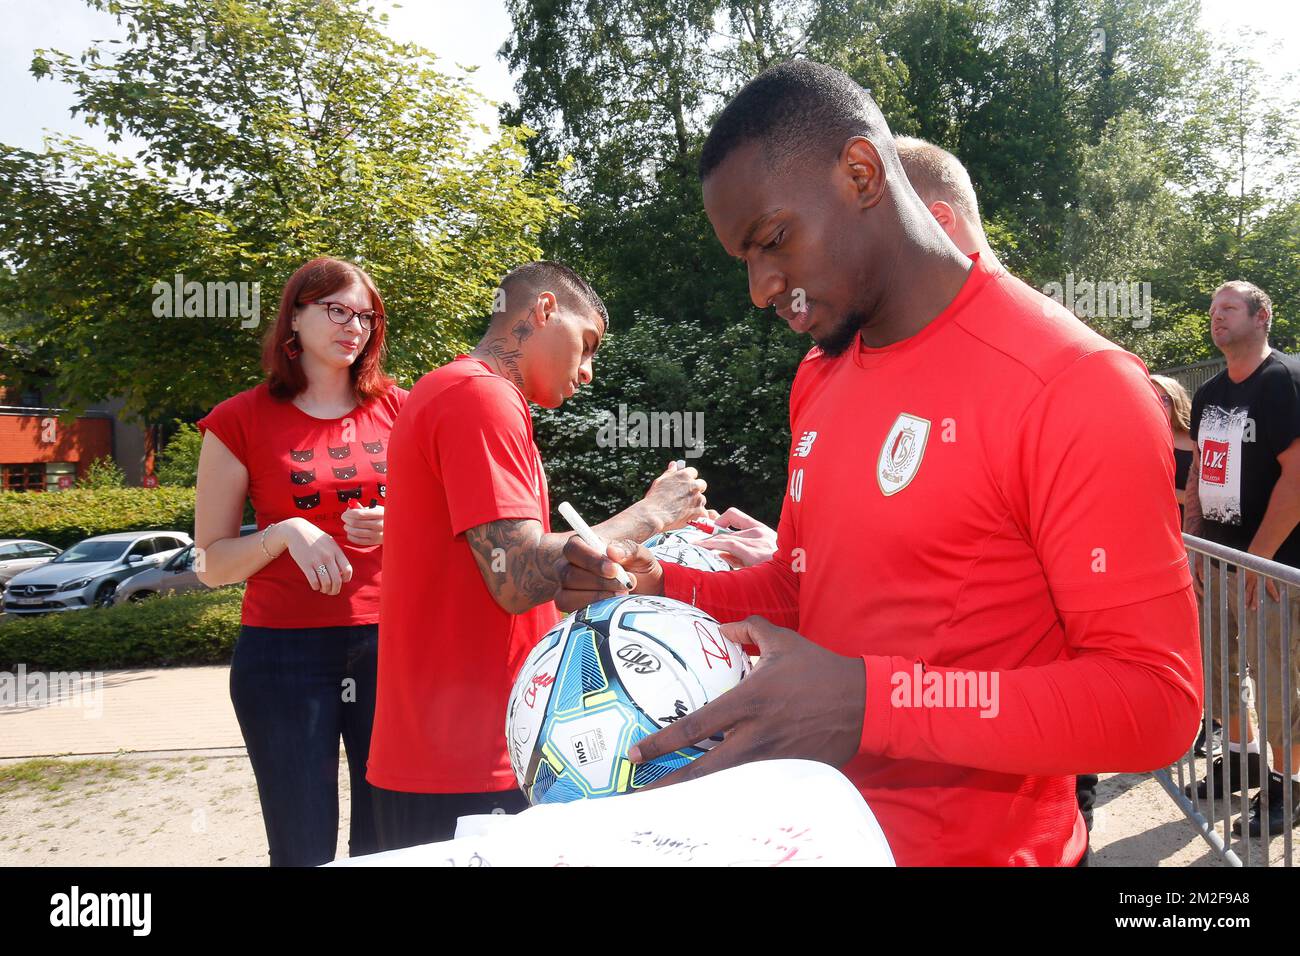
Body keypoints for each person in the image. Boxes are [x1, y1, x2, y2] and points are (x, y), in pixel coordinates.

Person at [556, 60, 1201, 866]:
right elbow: (800, 587)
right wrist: (657, 584)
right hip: (812, 839)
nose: (761, 286)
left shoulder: (1074, 384)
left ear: (861, 173)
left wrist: (878, 703)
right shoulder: (819, 376)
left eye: (773, 240)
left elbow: (1155, 701)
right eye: (744, 259)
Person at [366, 260, 708, 850]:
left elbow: (509, 574)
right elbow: (516, 574)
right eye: (588, 344)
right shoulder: (478, 395)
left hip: (457, 750)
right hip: (466, 761)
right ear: (544, 310)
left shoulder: (467, 393)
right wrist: (653, 515)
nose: (589, 371)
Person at [195, 256, 405, 866]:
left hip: (390, 644)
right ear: (295, 316)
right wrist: (283, 531)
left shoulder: (402, 409)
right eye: (337, 309)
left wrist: (402, 528)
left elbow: (453, 529)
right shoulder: (238, 420)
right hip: (282, 658)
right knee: (301, 847)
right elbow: (210, 563)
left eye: (366, 316)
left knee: (389, 841)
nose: (354, 326)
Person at [1183, 280, 1300, 836]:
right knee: (1218, 669)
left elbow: (1298, 479)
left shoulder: (1284, 381)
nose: (1216, 316)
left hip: (1272, 569)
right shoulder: (1207, 395)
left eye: (1228, 307)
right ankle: (1240, 756)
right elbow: (1201, 473)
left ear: (1262, 316)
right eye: (1213, 310)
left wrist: (1260, 559)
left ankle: (1288, 785)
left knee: (1277, 679)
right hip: (1218, 561)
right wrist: (1195, 546)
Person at [1150, 375, 1197, 511]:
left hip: (1193, 526)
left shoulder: (1199, 437)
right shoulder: (1140, 442)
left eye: (1163, 399)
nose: (1157, 405)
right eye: (1152, 399)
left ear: (1177, 401)